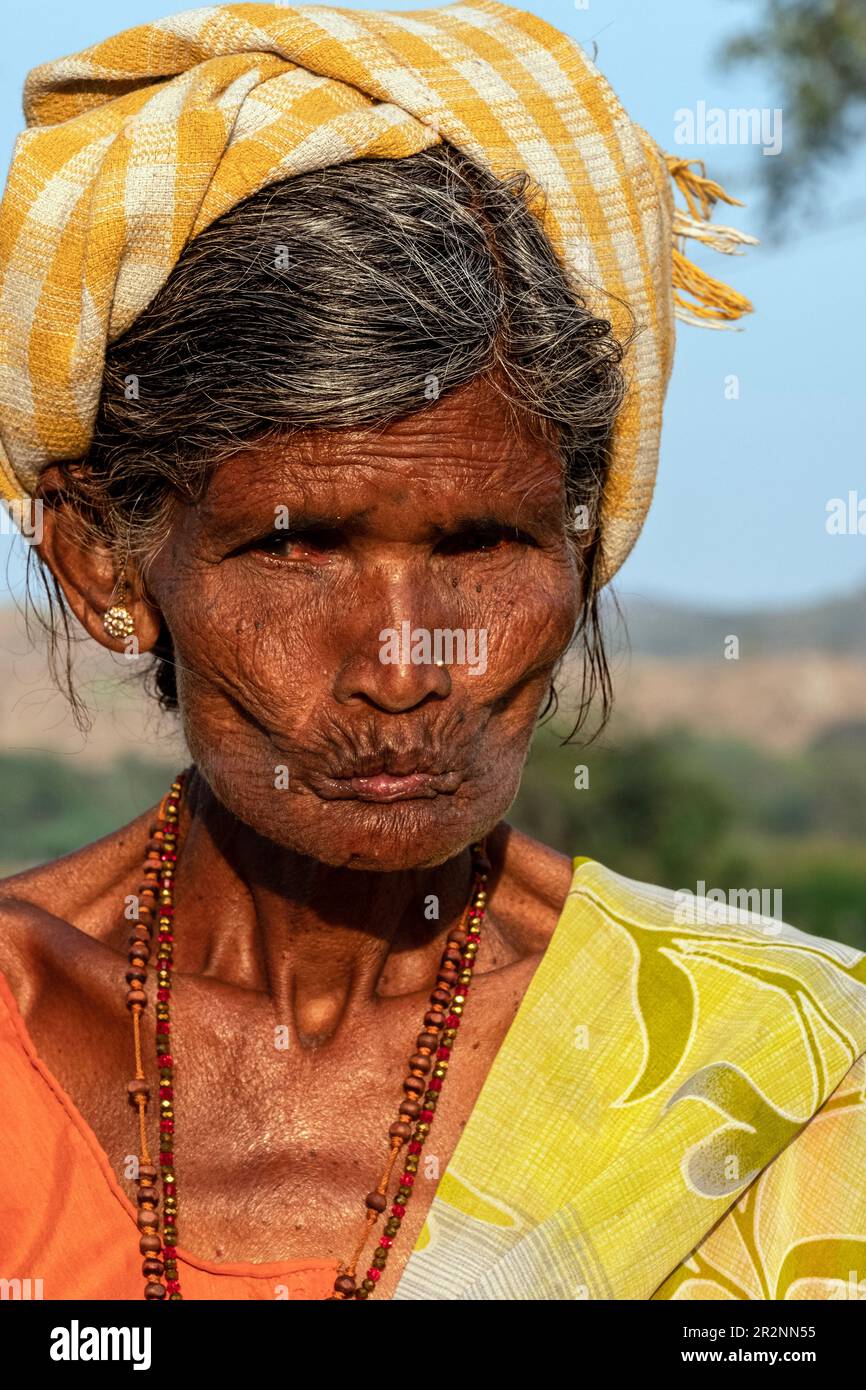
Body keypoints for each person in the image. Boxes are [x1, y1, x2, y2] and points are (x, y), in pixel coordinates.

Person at [0, 1, 863, 1302]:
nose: (403, 665)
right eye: (297, 551)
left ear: (581, 550)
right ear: (102, 562)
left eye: (480, 545)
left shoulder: (803, 1075)